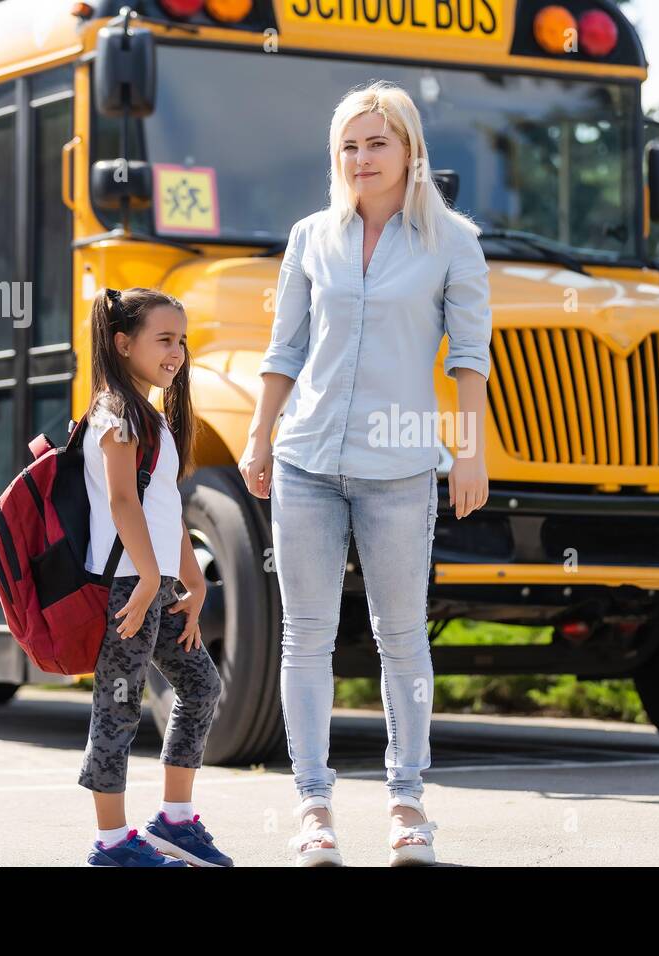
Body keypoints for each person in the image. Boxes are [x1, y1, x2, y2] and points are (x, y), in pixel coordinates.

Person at [239, 80, 493, 866]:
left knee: (401, 638)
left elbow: (469, 359)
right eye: (349, 145)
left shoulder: (453, 242)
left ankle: (408, 804)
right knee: (306, 638)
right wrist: (257, 438)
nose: (361, 158)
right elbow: (284, 351)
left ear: (411, 150)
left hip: (401, 465)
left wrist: (470, 450)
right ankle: (313, 807)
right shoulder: (310, 237)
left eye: (377, 142)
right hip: (307, 458)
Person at [77, 286, 231, 867]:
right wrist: (146, 580)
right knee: (117, 706)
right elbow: (122, 503)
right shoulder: (114, 414)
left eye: (183, 341)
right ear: (123, 343)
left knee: (200, 687)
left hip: (154, 583)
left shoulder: (156, 420)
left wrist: (193, 579)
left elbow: (165, 506)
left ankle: (174, 820)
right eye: (164, 339)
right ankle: (111, 845)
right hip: (126, 588)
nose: (177, 352)